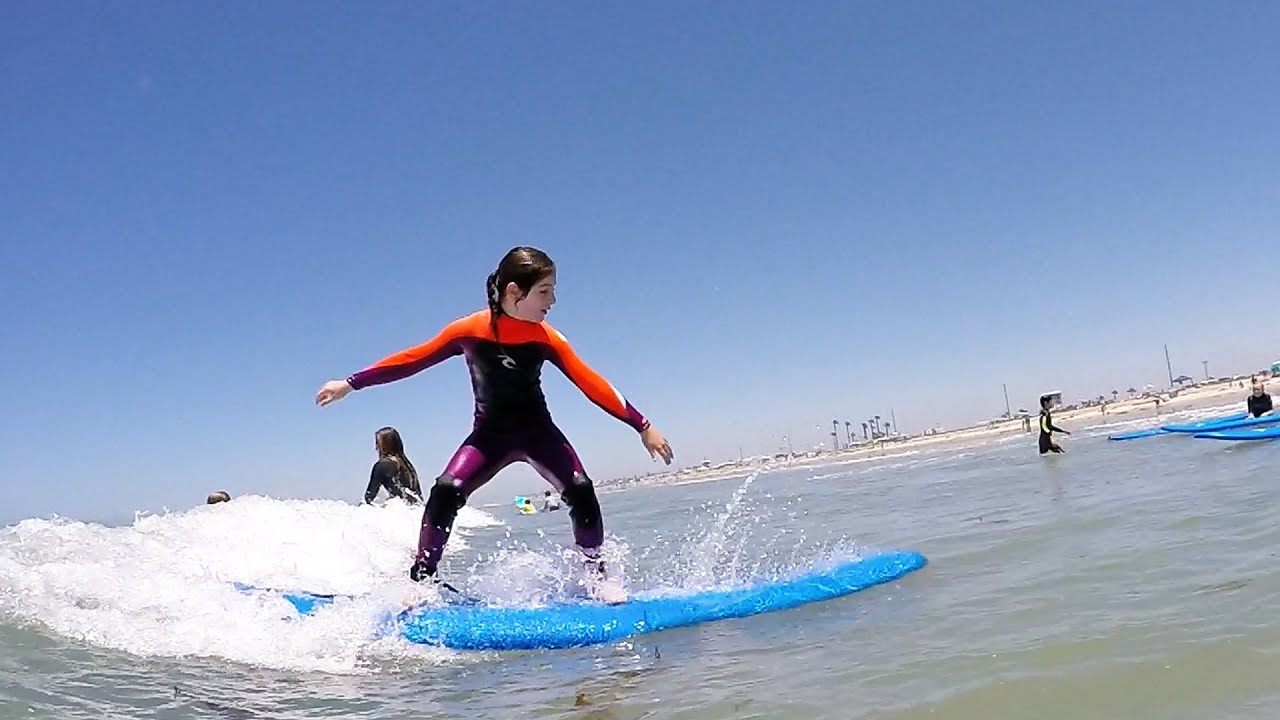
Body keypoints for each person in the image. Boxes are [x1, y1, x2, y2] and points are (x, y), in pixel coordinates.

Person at [315, 247, 673, 598]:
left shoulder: (547, 338)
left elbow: (590, 382)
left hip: (538, 432)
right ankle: (421, 580)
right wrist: (351, 383)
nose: (553, 301)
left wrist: (642, 425)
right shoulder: (469, 330)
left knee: (580, 489)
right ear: (514, 292)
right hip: (489, 437)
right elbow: (412, 359)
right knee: (445, 491)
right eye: (545, 291)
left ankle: (597, 578)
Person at [365, 426, 423, 505]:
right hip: (416, 509)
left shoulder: (382, 465)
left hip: (400, 510)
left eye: (377, 444)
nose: (376, 448)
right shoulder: (407, 465)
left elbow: (369, 497)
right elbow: (418, 496)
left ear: (385, 445)